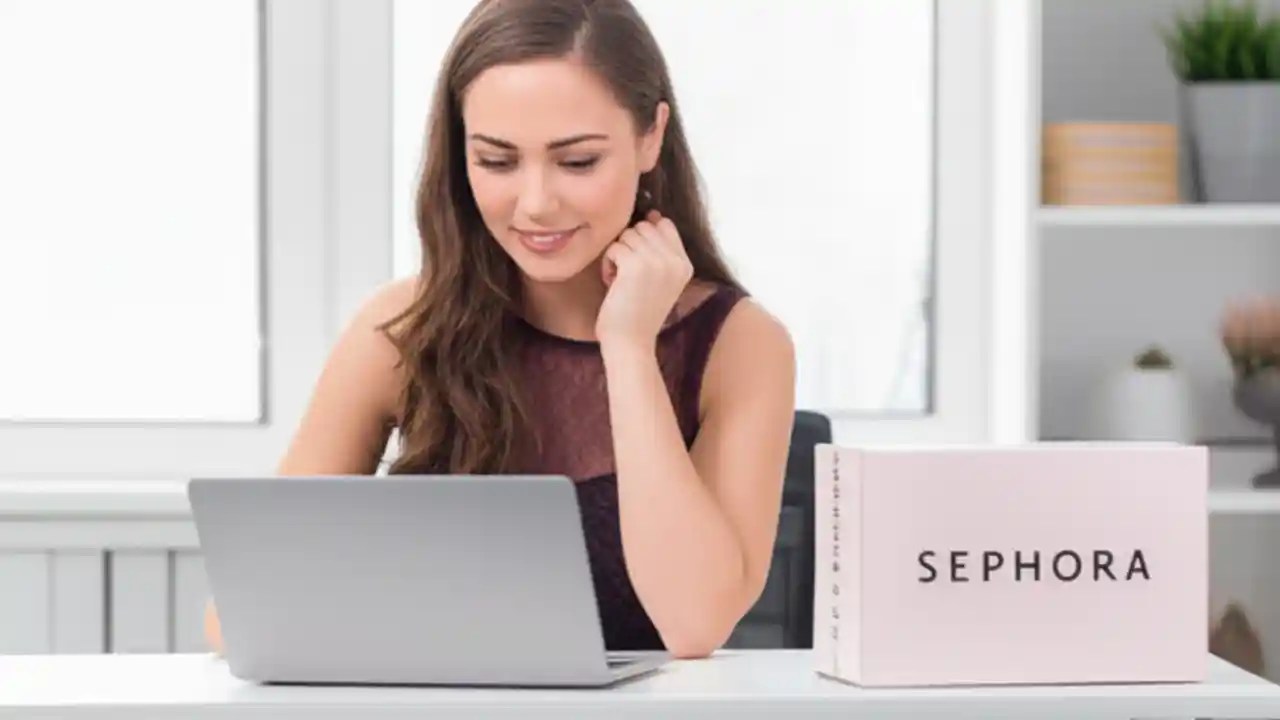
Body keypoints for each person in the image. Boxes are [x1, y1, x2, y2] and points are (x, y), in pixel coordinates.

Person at [205, 0, 796, 660]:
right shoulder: (398, 328)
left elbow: (694, 625)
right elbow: (238, 616)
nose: (536, 203)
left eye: (577, 162)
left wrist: (628, 346)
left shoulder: (740, 347)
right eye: (497, 161)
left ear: (650, 136)